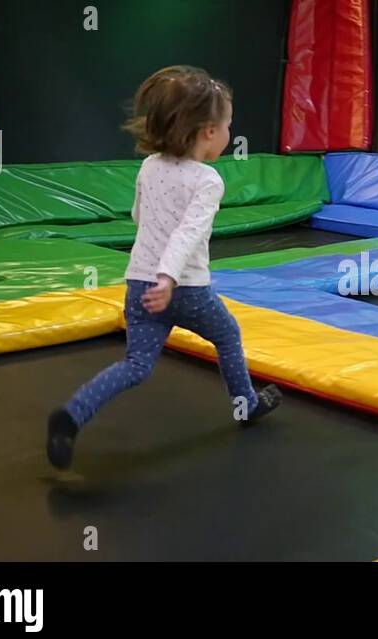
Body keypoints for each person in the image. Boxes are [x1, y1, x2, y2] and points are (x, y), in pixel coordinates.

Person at [47, 65, 281, 469]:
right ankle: (246, 404)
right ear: (209, 131)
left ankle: (72, 414)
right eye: (228, 125)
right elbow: (188, 234)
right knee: (227, 335)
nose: (230, 133)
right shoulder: (207, 180)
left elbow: (140, 216)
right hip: (183, 288)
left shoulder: (149, 166)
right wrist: (169, 278)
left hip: (139, 285)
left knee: (136, 365)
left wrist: (155, 273)